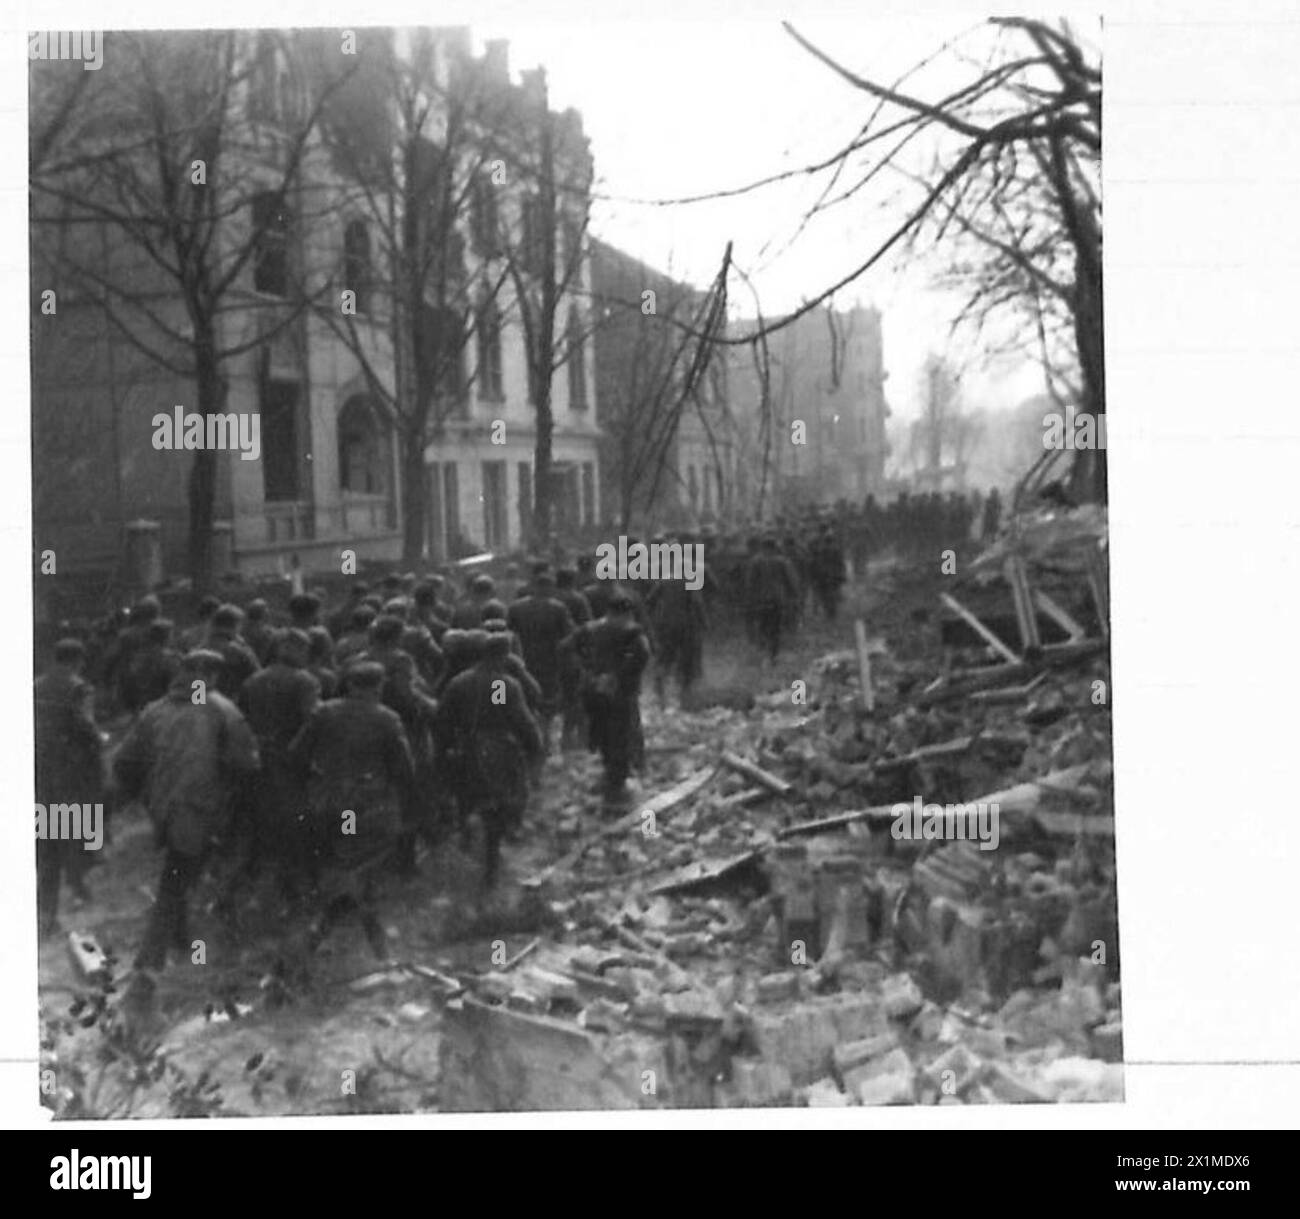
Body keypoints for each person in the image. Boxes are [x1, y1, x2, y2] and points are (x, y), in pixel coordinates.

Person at [113, 650, 260, 971]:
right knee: (176, 882)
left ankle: (181, 943)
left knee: (178, 872)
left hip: (162, 806)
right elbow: (247, 763)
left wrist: (151, 790)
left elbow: (124, 760)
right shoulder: (222, 709)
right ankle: (148, 968)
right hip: (199, 807)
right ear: (212, 675)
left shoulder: (156, 709)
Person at [288, 661, 413, 959]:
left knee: (349, 868)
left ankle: (369, 940)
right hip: (358, 810)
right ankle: (325, 936)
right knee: (351, 868)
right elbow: (404, 769)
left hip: (325, 803)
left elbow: (296, 754)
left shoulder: (324, 712)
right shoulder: (387, 719)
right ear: (378, 686)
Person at [433, 633, 543, 888]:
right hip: (497, 753)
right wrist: (534, 744)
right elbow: (515, 718)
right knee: (497, 807)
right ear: (504, 655)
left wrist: (444, 750)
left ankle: (466, 844)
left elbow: (442, 720)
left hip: (465, 751)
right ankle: (490, 868)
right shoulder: (500, 684)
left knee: (467, 800)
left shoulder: (459, 681)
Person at [233, 629, 321, 907]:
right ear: (297, 650)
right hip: (289, 763)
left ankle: (243, 889)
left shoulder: (253, 681)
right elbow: (313, 721)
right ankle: (294, 892)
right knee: (296, 826)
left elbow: (241, 721)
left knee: (263, 826)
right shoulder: (304, 681)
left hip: (259, 761)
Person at [34, 639, 105, 935]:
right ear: (77, 660)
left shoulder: (35, 686)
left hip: (42, 771)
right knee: (78, 830)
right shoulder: (80, 688)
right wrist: (100, 740)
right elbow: (85, 726)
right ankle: (79, 890)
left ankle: (46, 914)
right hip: (73, 772)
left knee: (48, 839)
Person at [570, 589, 651, 811]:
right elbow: (642, 654)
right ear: (627, 612)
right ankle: (617, 787)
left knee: (602, 733)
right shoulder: (632, 631)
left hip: (593, 690)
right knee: (621, 734)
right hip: (619, 692)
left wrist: (587, 670)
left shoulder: (589, 628)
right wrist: (619, 676)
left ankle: (610, 775)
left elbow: (570, 647)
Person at [506, 570, 574, 750]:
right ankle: (544, 737)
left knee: (525, 698)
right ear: (550, 588)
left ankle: (531, 737)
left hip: (522, 660)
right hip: (549, 662)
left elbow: (509, 635)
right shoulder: (558, 608)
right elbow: (569, 636)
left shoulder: (515, 608)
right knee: (547, 700)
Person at [744, 537, 801, 663]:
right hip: (778, 598)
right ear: (774, 547)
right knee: (776, 626)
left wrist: (750, 597)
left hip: (760, 599)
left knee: (763, 624)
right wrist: (794, 595)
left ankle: (764, 650)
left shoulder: (755, 561)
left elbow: (750, 582)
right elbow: (792, 581)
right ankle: (774, 653)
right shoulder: (782, 561)